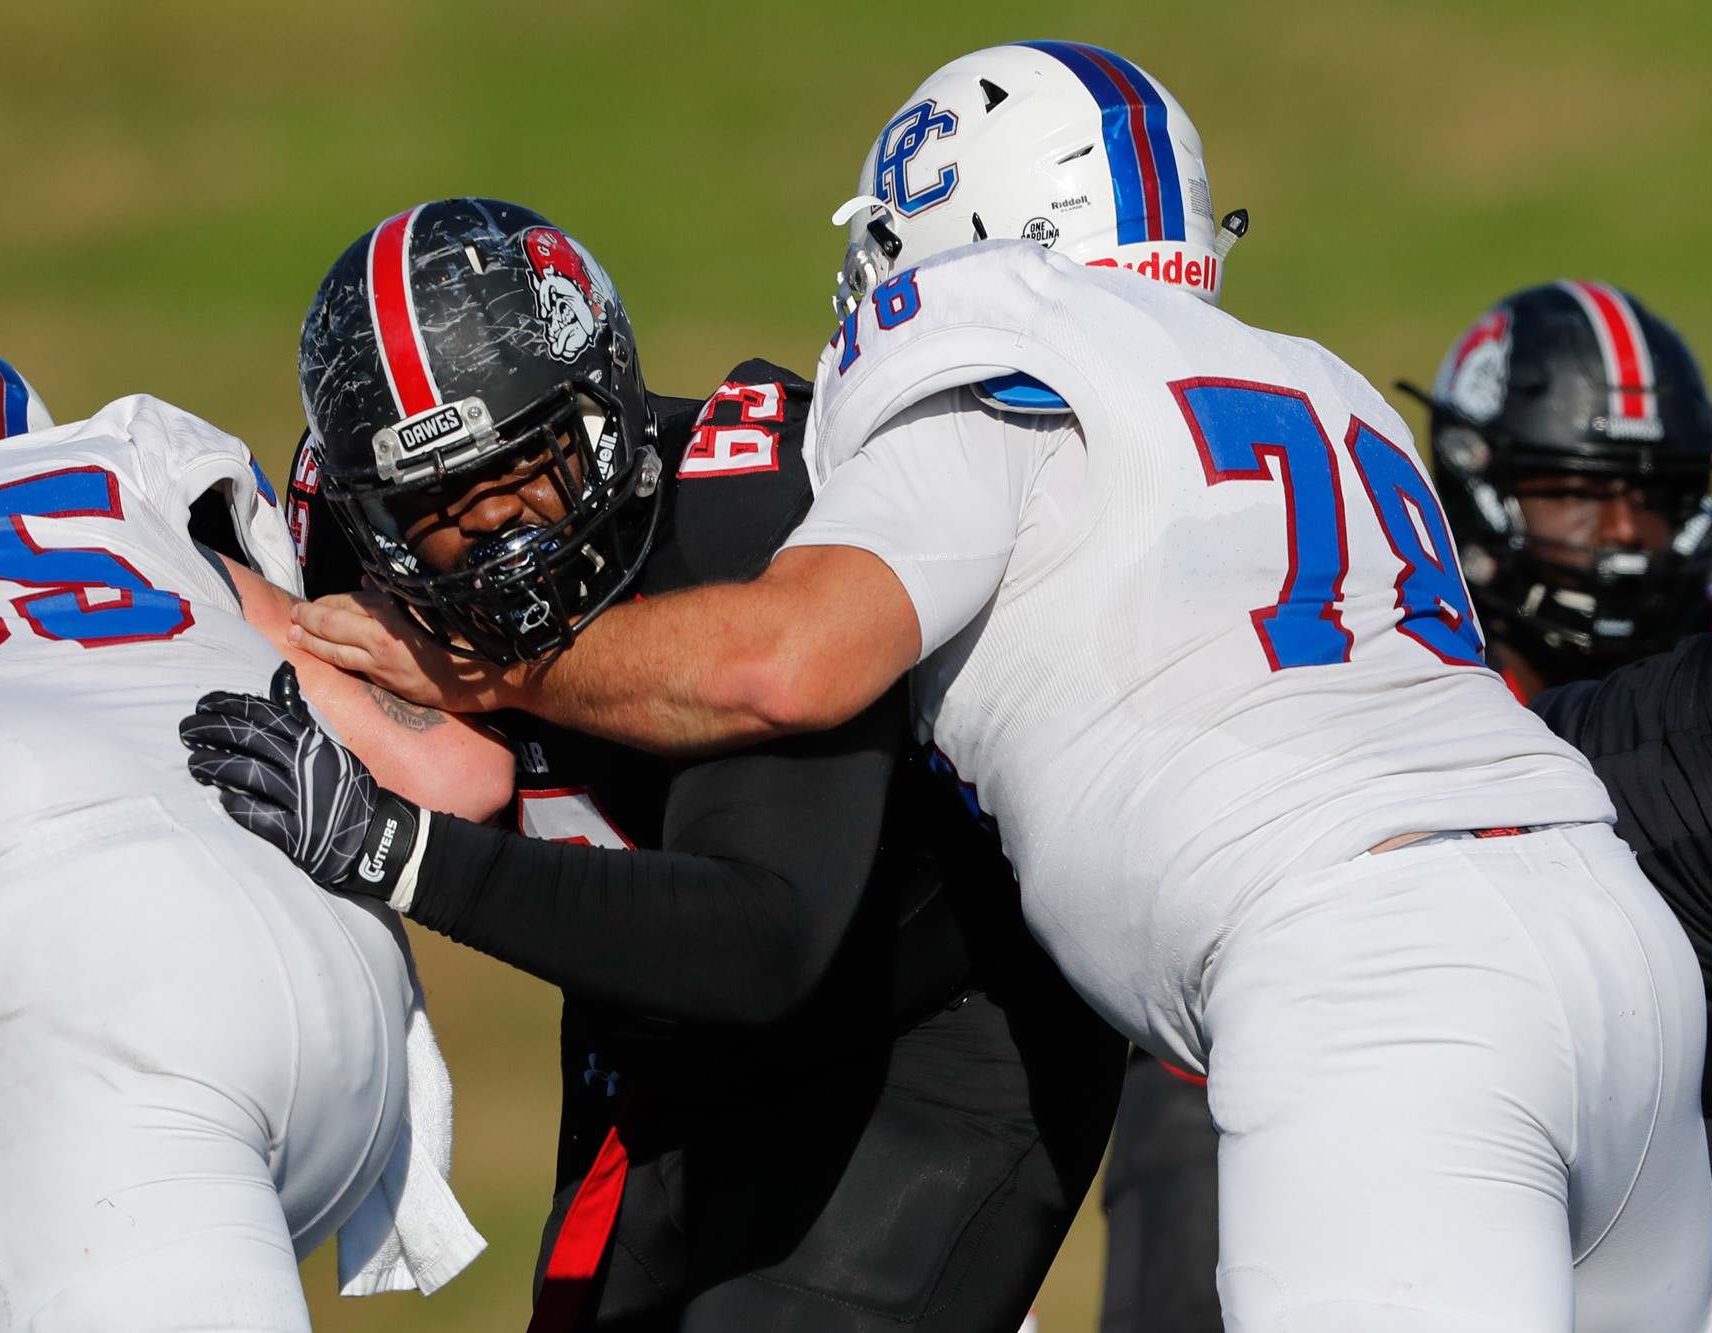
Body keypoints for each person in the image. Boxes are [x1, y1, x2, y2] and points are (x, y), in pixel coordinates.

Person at [275, 46, 1712, 1331]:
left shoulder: (995, 355)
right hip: (1608, 928)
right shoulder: (1318, 384)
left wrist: (491, 655)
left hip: (1371, 978)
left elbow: (785, 665)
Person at [186, 197, 1125, 1332]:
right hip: (656, 1053)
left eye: (530, 462)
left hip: (919, 1035)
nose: (503, 527)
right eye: (440, 504)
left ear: (609, 409)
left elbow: (760, 937)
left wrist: (398, 851)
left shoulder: (741, 513)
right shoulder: (344, 551)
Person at [0, 338, 510, 1330]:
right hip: (349, 1023)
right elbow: (458, 773)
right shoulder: (102, 491)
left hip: (74, 1021)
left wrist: (28, 1238)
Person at [1097, 280, 1712, 1332]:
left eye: (1655, 494)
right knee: (1191, 1098)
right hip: (1383, 1048)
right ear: (1478, 485)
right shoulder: (1375, 653)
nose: (1622, 533)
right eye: (1570, 491)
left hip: (1670, 1088)